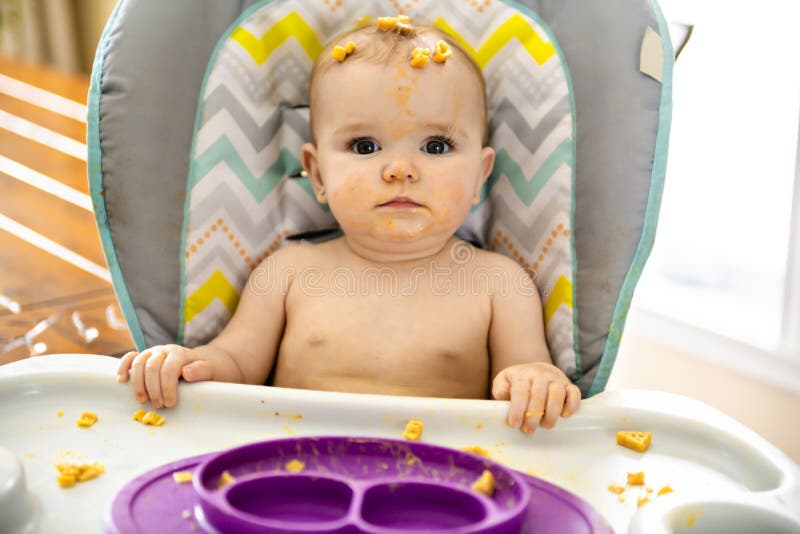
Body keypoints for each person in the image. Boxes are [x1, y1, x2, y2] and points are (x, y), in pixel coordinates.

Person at [117, 16, 581, 434]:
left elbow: (527, 376)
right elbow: (235, 363)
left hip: (441, 483)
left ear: (481, 175)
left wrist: (538, 381)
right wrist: (188, 364)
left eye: (436, 147)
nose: (400, 169)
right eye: (364, 146)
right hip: (294, 468)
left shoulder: (501, 284)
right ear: (318, 175)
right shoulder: (287, 273)